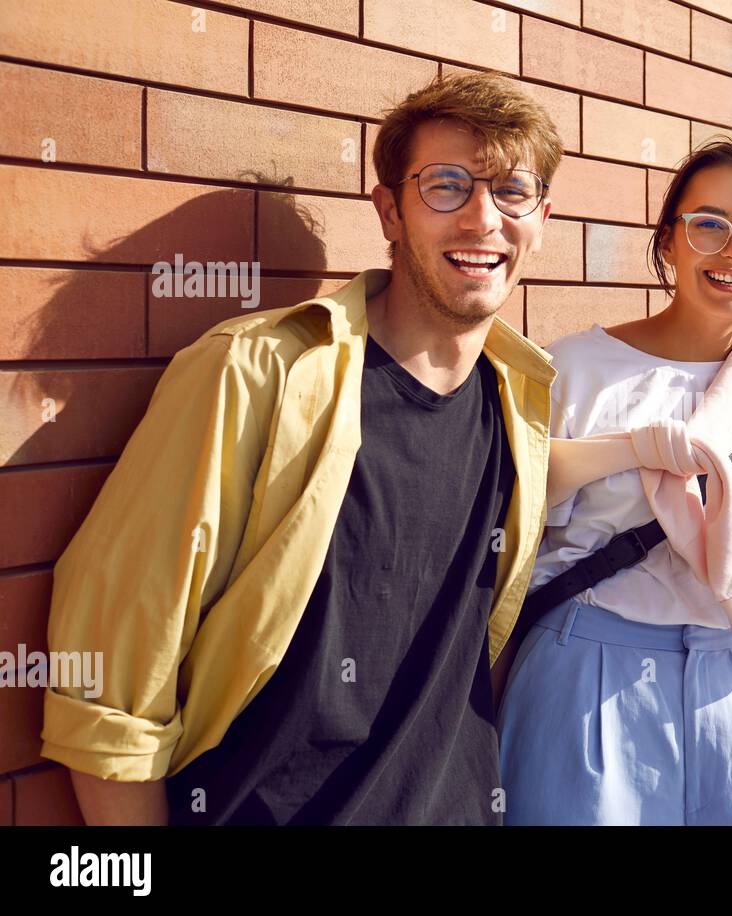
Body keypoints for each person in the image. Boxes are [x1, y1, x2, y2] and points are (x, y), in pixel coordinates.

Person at [41, 70, 562, 825]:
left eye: (512, 189)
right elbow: (113, 677)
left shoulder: (519, 402)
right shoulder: (255, 374)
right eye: (446, 185)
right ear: (389, 209)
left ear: (540, 216)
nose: (483, 218)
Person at [497, 138, 732, 825]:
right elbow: (507, 558)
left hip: (723, 681)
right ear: (669, 240)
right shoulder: (570, 369)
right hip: (582, 669)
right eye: (709, 224)